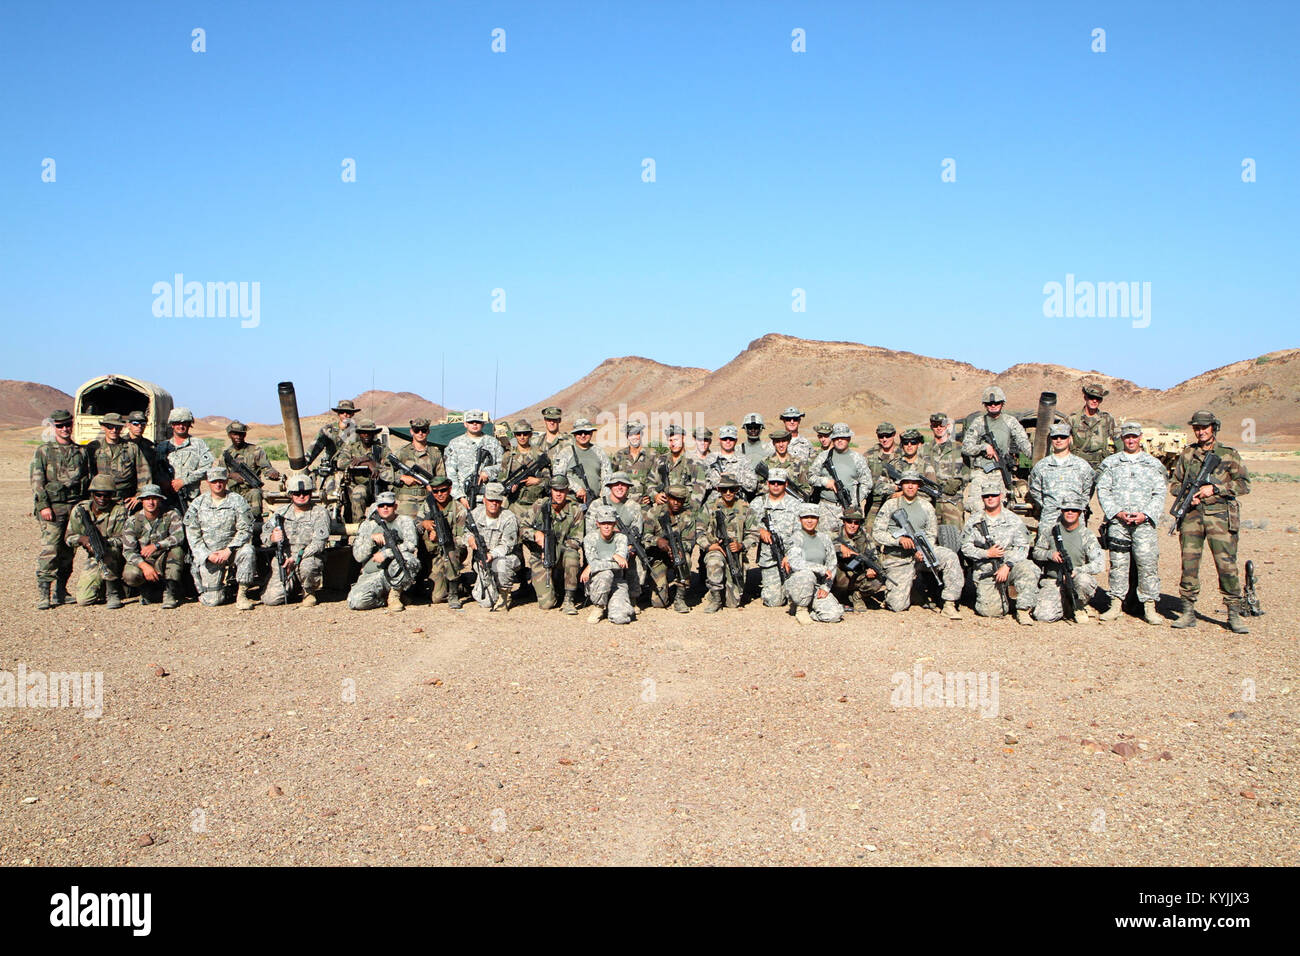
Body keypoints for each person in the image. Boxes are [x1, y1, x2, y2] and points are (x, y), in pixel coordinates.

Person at [1169, 410, 1252, 633]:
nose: (1201, 431)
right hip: (1192, 517)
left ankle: (1233, 613)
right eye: (1197, 428)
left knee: (1226, 566)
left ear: (1214, 428)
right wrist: (1188, 493)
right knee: (1189, 565)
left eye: (1205, 427)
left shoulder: (1228, 454)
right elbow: (1174, 484)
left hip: (1220, 517)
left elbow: (1244, 484)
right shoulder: (1187, 455)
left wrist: (1215, 489)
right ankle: (1188, 612)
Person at [1096, 422, 1167, 625]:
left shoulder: (1153, 464)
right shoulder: (1111, 463)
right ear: (1122, 439)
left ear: (1140, 437)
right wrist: (1116, 512)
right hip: (1119, 523)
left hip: (1144, 524)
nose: (1131, 440)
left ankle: (1149, 606)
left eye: (1134, 436)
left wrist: (1146, 514)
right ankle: (1116, 604)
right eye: (1127, 437)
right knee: (1118, 564)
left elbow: (1159, 493)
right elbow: (1104, 490)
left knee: (1147, 564)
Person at [873, 470, 964, 618]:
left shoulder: (926, 506)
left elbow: (931, 533)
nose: (910, 487)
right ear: (901, 485)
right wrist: (899, 540)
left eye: (914, 483)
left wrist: (924, 549)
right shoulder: (890, 505)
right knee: (897, 605)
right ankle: (909, 590)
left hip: (922, 553)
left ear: (919, 486)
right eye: (907, 483)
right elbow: (877, 532)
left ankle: (949, 603)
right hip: (899, 558)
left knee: (950, 556)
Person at [31, 407, 90, 608]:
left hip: (74, 507)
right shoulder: (44, 451)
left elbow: (87, 480)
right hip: (53, 509)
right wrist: (43, 506)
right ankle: (43, 594)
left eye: (67, 425)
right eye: (60, 425)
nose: (65, 428)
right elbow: (37, 482)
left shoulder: (80, 451)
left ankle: (61, 591)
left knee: (68, 551)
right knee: (50, 550)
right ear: (54, 427)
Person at [960, 478, 1040, 624]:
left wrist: (1008, 565)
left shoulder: (1013, 519)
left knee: (1029, 569)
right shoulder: (974, 520)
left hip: (1010, 566)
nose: (990, 498)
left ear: (1001, 496)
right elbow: (965, 547)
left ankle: (1023, 610)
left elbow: (1023, 546)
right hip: (987, 570)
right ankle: (1004, 598)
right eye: (986, 496)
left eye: (994, 495)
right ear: (982, 498)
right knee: (991, 611)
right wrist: (986, 553)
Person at [184, 465, 258, 609]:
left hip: (231, 552)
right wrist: (207, 554)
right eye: (214, 481)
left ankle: (242, 594)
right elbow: (192, 535)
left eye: (221, 481)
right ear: (208, 482)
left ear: (226, 481)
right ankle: (224, 590)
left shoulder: (237, 500)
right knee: (212, 601)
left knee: (248, 550)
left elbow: (246, 529)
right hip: (210, 554)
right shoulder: (197, 504)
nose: (218, 484)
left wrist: (229, 549)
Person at [1032, 495, 1105, 623]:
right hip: (1054, 581)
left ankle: (1079, 605)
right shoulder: (1051, 531)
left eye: (1074, 510)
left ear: (1080, 512)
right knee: (1043, 616)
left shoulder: (1087, 535)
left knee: (1084, 581)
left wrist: (1078, 571)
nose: (1070, 512)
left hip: (1076, 580)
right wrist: (1050, 554)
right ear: (1062, 511)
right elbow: (1036, 552)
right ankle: (1066, 606)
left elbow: (1099, 564)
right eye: (1066, 510)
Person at [261, 474, 330, 607]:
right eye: (297, 493)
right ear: (290, 494)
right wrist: (271, 538)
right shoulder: (280, 513)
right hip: (284, 560)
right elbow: (265, 533)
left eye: (305, 492)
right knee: (271, 600)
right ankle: (291, 588)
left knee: (308, 566)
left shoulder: (320, 513)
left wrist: (295, 558)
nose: (301, 496)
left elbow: (319, 544)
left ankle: (308, 591)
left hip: (307, 557)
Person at [522, 475, 586, 613]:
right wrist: (535, 535)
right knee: (547, 604)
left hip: (562, 554)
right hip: (540, 557)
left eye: (562, 490)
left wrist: (555, 550)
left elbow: (576, 539)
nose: (558, 493)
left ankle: (569, 599)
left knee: (572, 556)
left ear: (567, 490)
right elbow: (522, 528)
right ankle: (554, 586)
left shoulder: (575, 510)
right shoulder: (539, 506)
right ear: (550, 490)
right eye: (555, 490)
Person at [348, 491, 420, 611]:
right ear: (377, 507)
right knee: (355, 602)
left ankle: (395, 595)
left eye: (389, 505)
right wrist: (371, 540)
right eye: (381, 505)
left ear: (395, 506)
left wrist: (386, 553)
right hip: (372, 574)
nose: (385, 507)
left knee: (409, 560)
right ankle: (383, 600)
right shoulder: (367, 526)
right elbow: (358, 557)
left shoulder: (404, 521)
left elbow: (411, 544)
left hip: (394, 572)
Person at [65, 475, 128, 608]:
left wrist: (104, 543)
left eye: (107, 495)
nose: (102, 499)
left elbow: (123, 539)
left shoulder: (119, 511)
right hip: (94, 556)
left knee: (109, 553)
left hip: (116, 555)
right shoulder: (80, 510)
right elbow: (69, 538)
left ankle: (113, 593)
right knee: (84, 600)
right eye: (98, 495)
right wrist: (83, 540)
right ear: (92, 494)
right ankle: (102, 588)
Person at [120, 483, 187, 609]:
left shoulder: (171, 514)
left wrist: (157, 545)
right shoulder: (132, 521)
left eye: (154, 498)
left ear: (160, 499)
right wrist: (144, 566)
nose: (151, 502)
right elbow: (128, 551)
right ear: (141, 501)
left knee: (177, 551)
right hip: (145, 561)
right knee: (130, 575)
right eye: (147, 498)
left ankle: (170, 592)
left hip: (163, 558)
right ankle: (146, 589)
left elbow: (179, 537)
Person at [698, 475, 758, 612]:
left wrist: (742, 546)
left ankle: (723, 590)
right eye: (724, 490)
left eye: (732, 489)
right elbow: (699, 531)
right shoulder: (709, 507)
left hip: (736, 554)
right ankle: (715, 597)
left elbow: (753, 534)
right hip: (716, 550)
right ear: (719, 490)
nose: (728, 493)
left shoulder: (745, 508)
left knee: (733, 603)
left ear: (737, 489)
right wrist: (708, 546)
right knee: (714, 561)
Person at [1027, 422, 1096, 540]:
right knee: (1046, 551)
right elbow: (1034, 489)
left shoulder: (1081, 465)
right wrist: (1048, 505)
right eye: (1055, 437)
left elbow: (1089, 489)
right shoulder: (1042, 466)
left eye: (1063, 437)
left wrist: (1078, 507)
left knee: (1075, 552)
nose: (1059, 440)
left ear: (1069, 439)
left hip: (1074, 517)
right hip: (1050, 517)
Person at [961, 386, 1031, 497]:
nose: (993, 405)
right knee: (976, 506)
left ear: (1002, 403)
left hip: (1001, 473)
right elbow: (965, 447)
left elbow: (1023, 442)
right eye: (989, 403)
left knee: (1001, 506)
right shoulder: (978, 422)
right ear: (985, 405)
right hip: (980, 473)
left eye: (997, 403)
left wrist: (1035, 457)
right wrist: (984, 447)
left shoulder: (1010, 421)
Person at [785, 505, 845, 624]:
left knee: (834, 615)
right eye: (806, 517)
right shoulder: (795, 538)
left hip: (817, 586)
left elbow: (832, 563)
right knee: (807, 574)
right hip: (800, 583)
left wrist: (826, 587)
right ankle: (801, 608)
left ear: (818, 519)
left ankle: (812, 611)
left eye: (813, 517)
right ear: (800, 519)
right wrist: (819, 568)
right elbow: (795, 562)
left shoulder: (824, 538)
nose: (809, 520)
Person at [645, 484, 700, 613]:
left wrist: (679, 548)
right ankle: (663, 589)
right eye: (673, 498)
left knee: (685, 560)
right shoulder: (654, 512)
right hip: (658, 557)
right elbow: (644, 536)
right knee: (659, 603)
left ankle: (680, 598)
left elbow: (690, 541)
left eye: (680, 500)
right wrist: (657, 540)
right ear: (668, 497)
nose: (676, 502)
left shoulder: (688, 516)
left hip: (677, 554)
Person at [466, 482, 521, 611]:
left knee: (500, 563)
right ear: (484, 500)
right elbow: (466, 531)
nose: (494, 503)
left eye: (497, 500)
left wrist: (491, 555)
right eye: (490, 500)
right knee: (485, 602)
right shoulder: (475, 514)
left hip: (505, 558)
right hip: (483, 560)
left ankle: (504, 595)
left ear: (501, 501)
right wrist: (469, 539)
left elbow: (507, 545)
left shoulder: (509, 518)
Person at [809, 423, 873, 531]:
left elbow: (867, 483)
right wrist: (825, 482)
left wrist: (854, 502)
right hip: (826, 509)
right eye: (837, 438)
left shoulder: (857, 458)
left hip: (848, 511)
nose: (840, 440)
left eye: (843, 438)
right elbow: (810, 476)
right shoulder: (824, 456)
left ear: (849, 438)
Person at [418, 475, 468, 608]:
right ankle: (460, 583)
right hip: (433, 554)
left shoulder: (459, 509)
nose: (439, 494)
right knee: (436, 596)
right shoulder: (428, 505)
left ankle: (454, 593)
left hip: (453, 551)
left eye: (443, 490)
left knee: (450, 554)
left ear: (450, 489)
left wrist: (443, 539)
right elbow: (415, 524)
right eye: (435, 491)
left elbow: (461, 539)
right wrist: (424, 524)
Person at [753, 469, 801, 608]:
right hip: (769, 560)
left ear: (785, 484)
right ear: (767, 483)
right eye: (773, 482)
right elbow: (745, 525)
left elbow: (800, 534)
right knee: (774, 601)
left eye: (779, 483)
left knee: (798, 597)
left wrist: (791, 555)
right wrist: (759, 530)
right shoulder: (758, 503)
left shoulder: (795, 505)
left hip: (791, 558)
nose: (775, 486)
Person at [581, 505, 636, 624]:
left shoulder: (621, 538)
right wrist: (613, 557)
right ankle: (599, 607)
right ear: (597, 523)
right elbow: (593, 562)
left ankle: (614, 605)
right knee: (606, 574)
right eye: (603, 523)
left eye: (610, 523)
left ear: (615, 523)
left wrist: (593, 565)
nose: (606, 526)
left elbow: (620, 565)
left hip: (617, 582)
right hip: (598, 582)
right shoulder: (590, 538)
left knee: (620, 618)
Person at [86, 412, 151, 510]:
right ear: (103, 427)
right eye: (110, 427)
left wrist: (139, 496)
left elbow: (144, 475)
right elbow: (87, 474)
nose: (114, 430)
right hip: (101, 500)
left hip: (125, 501)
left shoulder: (131, 448)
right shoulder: (94, 448)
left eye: (117, 427)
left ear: (122, 428)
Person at [222, 420, 282, 524]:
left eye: (241, 434)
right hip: (232, 493)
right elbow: (219, 474)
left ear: (245, 434)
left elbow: (266, 468)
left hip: (251, 491)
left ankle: (255, 524)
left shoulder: (256, 451)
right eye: (235, 434)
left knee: (256, 494)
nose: (238, 437)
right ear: (229, 435)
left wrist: (272, 473)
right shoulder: (227, 455)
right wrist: (232, 475)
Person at [157, 407, 214, 513]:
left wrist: (184, 481)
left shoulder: (198, 444)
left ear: (189, 424)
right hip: (167, 498)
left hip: (191, 500)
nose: (181, 426)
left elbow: (207, 468)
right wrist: (164, 481)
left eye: (185, 423)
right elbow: (156, 468)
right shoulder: (162, 446)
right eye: (177, 423)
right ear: (172, 425)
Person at [602, 472, 648, 605]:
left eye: (623, 484)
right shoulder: (598, 504)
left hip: (626, 547)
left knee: (639, 556)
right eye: (616, 484)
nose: (620, 487)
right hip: (603, 547)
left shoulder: (634, 507)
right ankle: (601, 601)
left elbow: (637, 533)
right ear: (610, 486)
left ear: (628, 488)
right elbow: (592, 533)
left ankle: (633, 598)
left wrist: (628, 548)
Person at [333, 419, 390, 523]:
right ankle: (358, 527)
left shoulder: (382, 449)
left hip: (379, 487)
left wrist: (374, 464)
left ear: (374, 434)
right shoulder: (351, 447)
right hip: (355, 487)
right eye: (363, 432)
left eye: (369, 433)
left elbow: (390, 467)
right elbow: (340, 463)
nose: (366, 435)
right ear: (359, 434)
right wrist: (364, 463)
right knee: (358, 492)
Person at [921, 412, 969, 532]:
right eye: (935, 425)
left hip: (952, 501)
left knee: (954, 536)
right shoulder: (924, 449)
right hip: (930, 502)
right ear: (931, 427)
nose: (939, 428)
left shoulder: (959, 448)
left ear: (947, 426)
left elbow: (968, 469)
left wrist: (960, 481)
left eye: (941, 425)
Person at [445, 410, 502, 508]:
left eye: (478, 422)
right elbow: (451, 473)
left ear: (483, 424)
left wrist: (488, 471)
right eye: (471, 422)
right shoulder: (455, 444)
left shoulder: (493, 443)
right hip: (463, 499)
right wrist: (459, 496)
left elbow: (502, 466)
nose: (474, 424)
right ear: (465, 424)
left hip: (488, 499)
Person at [392, 417, 447, 517]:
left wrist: (435, 487)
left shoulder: (435, 454)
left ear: (428, 431)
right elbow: (384, 472)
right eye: (416, 430)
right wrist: (401, 477)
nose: (420, 433)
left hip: (428, 499)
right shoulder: (402, 452)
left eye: (424, 430)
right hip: (405, 501)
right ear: (411, 432)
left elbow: (441, 477)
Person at [832, 508, 885, 612]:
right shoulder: (835, 533)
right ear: (844, 522)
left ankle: (857, 596)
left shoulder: (865, 537)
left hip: (857, 572)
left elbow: (874, 555)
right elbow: (822, 545)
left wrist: (872, 569)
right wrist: (840, 548)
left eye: (856, 523)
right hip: (837, 573)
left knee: (877, 580)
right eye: (849, 522)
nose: (852, 525)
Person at [554, 419, 612, 508]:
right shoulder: (566, 453)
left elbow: (607, 477)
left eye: (586, 432)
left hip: (595, 503)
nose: (583, 435)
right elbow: (558, 477)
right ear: (574, 435)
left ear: (591, 433)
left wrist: (604, 498)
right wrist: (577, 489)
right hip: (570, 503)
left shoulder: (599, 452)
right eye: (579, 433)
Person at [497, 420, 549, 517]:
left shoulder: (539, 455)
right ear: (515, 435)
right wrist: (509, 489)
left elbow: (549, 481)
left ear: (530, 434)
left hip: (535, 506)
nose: (522, 437)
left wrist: (538, 481)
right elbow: (501, 480)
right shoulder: (509, 456)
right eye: (519, 434)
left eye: (525, 434)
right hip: (514, 505)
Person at [1067, 383, 1119, 474]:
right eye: (1091, 397)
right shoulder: (1073, 419)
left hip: (1101, 466)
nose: (1094, 401)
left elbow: (1119, 440)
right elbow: (1057, 436)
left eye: (1098, 398)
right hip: (1078, 465)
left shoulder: (1107, 419)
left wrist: (1119, 464)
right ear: (1085, 398)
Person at [649, 425, 705, 507]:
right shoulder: (660, 460)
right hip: (663, 508)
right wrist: (655, 495)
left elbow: (699, 490)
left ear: (683, 438)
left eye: (676, 440)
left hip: (685, 509)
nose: (673, 443)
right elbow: (650, 482)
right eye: (670, 440)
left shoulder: (694, 462)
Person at [612, 422, 659, 506]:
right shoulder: (619, 456)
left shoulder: (652, 455)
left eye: (636, 433)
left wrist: (652, 496)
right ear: (627, 436)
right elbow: (611, 480)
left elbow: (658, 480)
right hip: (623, 505)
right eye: (630, 434)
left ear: (641, 434)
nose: (634, 437)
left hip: (645, 507)